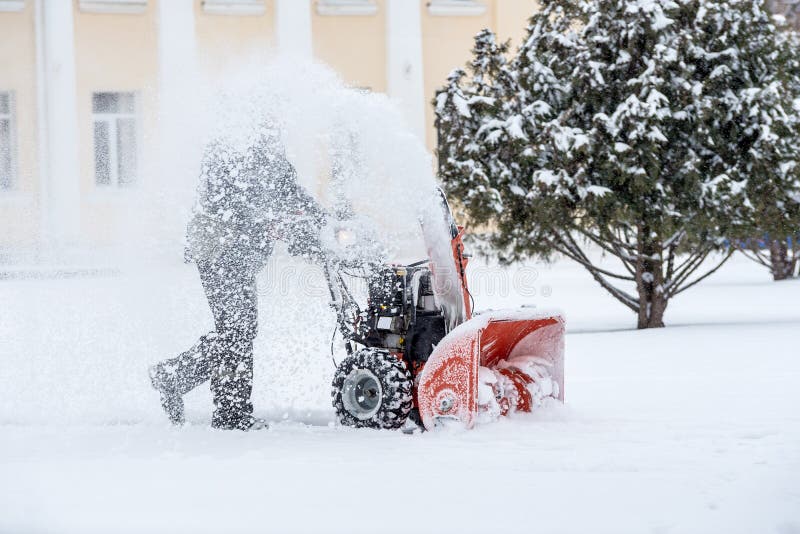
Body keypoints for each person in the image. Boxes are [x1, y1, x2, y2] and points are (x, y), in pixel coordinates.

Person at [149, 125, 327, 430]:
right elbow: (229, 199)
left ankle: (176, 378)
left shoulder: (272, 156)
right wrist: (271, 219)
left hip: (242, 256)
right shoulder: (226, 147)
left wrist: (325, 223)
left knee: (239, 330)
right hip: (218, 251)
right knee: (237, 330)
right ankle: (227, 411)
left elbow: (291, 193)